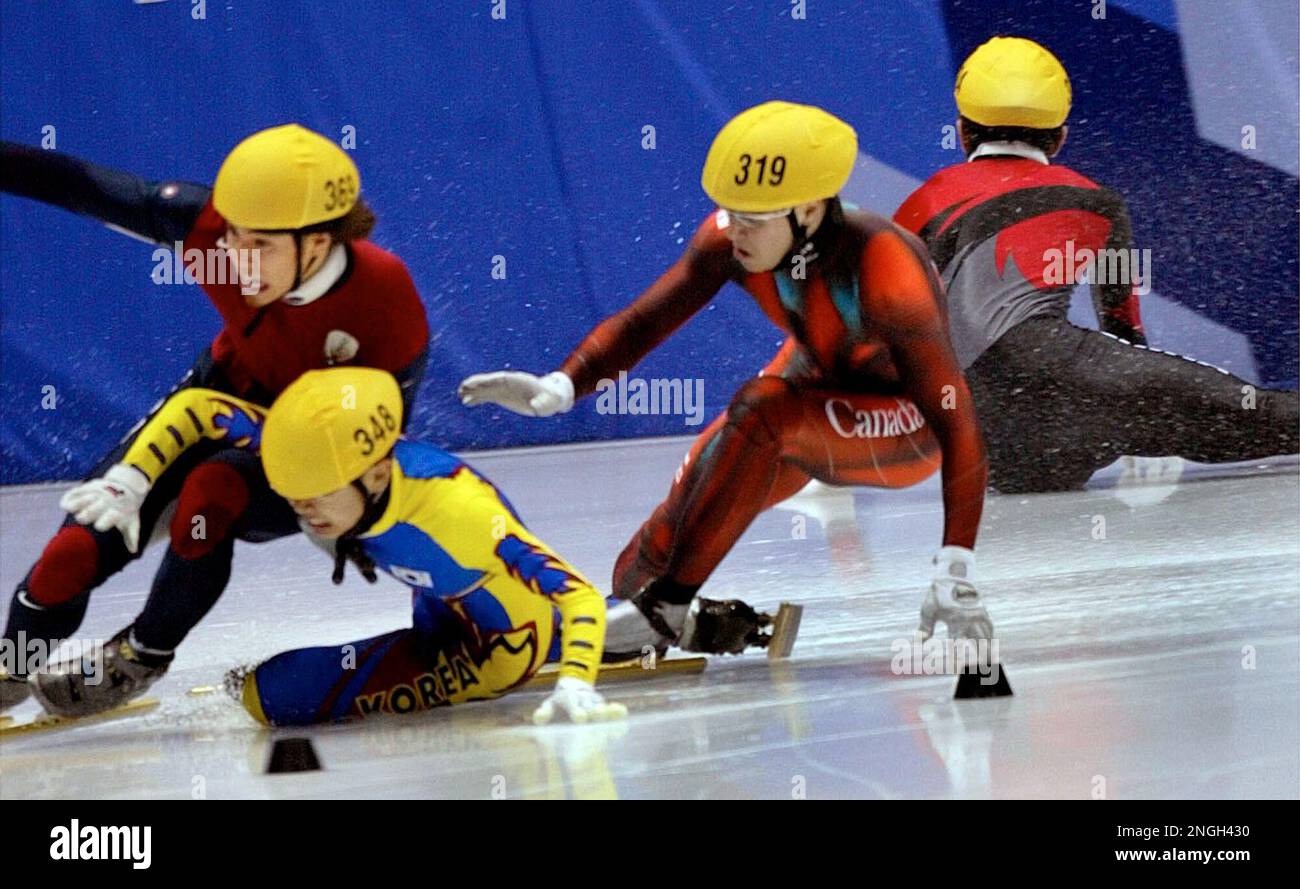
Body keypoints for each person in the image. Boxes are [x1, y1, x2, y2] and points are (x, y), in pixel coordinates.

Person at [460, 101, 993, 658]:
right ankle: (676, 619)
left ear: (809, 212)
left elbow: (956, 422)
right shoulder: (731, 239)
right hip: (813, 383)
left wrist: (956, 566)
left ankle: (666, 609)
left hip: (905, 422)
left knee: (761, 409)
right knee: (655, 548)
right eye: (729, 210)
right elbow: (645, 320)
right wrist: (562, 386)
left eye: (754, 219)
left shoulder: (886, 270)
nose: (733, 230)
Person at [0, 125, 431, 712]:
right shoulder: (205, 231)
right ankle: (12, 667)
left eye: (262, 246)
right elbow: (75, 184)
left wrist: (361, 517)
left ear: (319, 242)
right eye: (233, 238)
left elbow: (381, 440)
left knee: (210, 494)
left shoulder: (384, 298)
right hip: (213, 400)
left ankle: (142, 653)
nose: (239, 262)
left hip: (306, 445)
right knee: (73, 552)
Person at [892, 36, 1298, 493]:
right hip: (1083, 398)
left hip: (988, 444)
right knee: (1266, 417)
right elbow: (1123, 326)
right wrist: (1141, 416)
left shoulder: (919, 205)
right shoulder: (1096, 202)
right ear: (1061, 136)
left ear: (963, 131)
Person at [207, 367, 623, 726]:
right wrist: (139, 477)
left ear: (376, 476)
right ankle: (632, 623)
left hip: (493, 650)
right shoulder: (336, 459)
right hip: (443, 608)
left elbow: (578, 594)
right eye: (295, 493)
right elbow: (202, 410)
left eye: (318, 493)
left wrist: (576, 680)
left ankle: (601, 630)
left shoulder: (462, 513)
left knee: (268, 697)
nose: (302, 508)